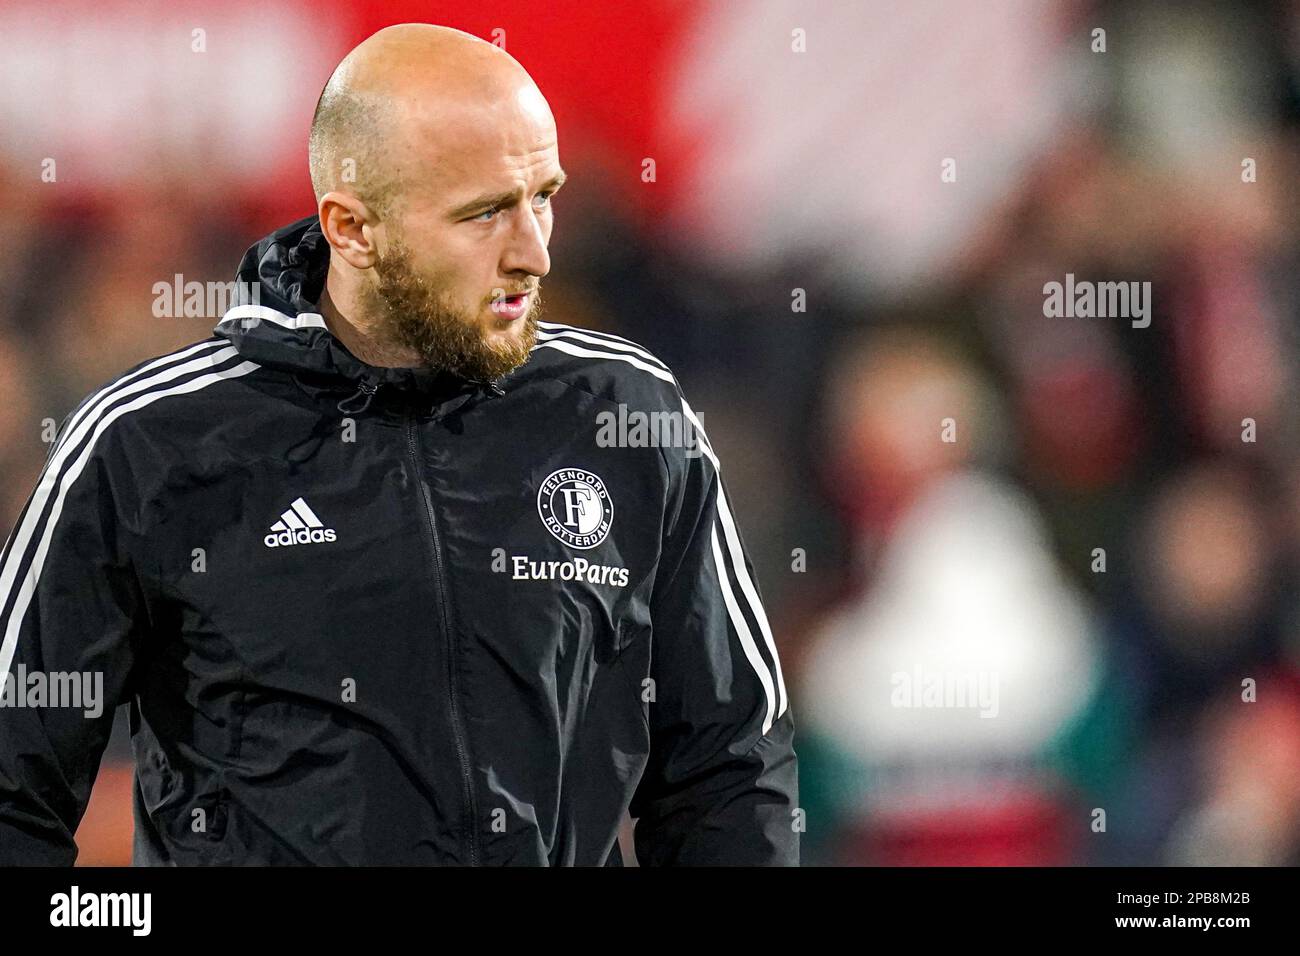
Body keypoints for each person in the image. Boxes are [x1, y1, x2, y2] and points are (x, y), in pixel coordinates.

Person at [0, 23, 796, 865]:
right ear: (351, 229)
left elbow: (728, 770)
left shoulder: (629, 418)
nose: (532, 252)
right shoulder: (147, 444)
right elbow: (14, 789)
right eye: (484, 212)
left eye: (543, 197)